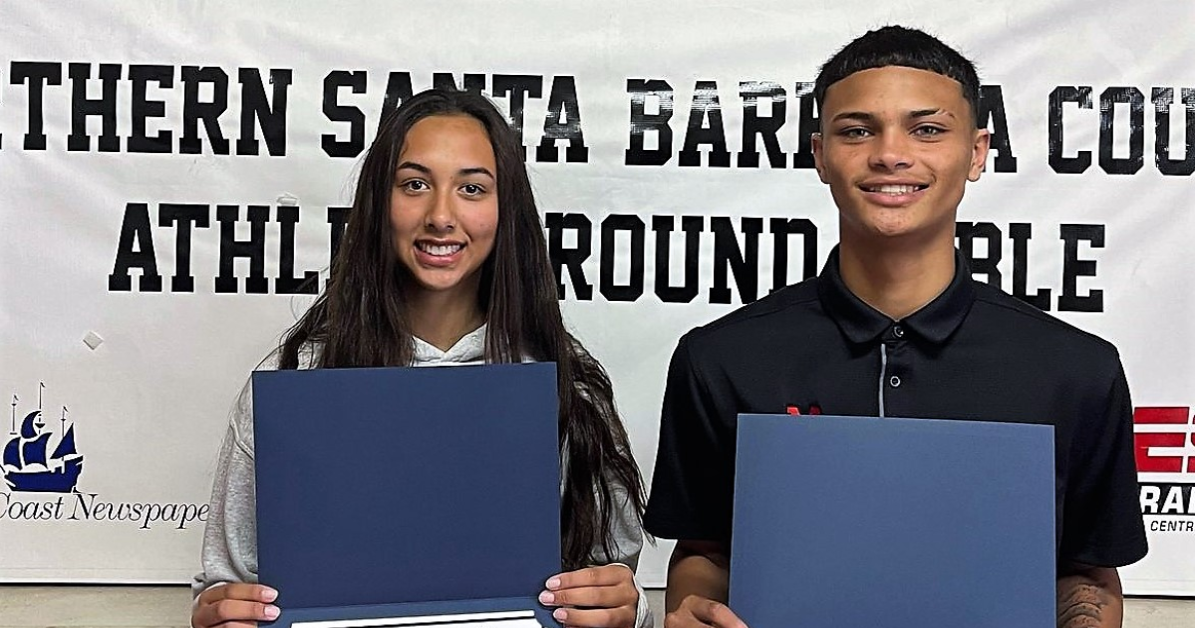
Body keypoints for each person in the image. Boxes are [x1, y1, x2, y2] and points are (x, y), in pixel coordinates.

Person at [644, 25, 1148, 628]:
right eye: (857, 131)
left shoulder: (1077, 369)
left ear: (978, 152)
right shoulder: (720, 357)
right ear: (820, 155)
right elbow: (704, 551)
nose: (890, 154)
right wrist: (692, 612)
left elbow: (1088, 573)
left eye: (927, 129)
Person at [191, 88, 652, 628]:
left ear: (506, 209)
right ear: (379, 203)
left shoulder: (569, 387)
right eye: (414, 184)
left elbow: (615, 586)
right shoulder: (295, 379)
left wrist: (631, 612)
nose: (441, 215)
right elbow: (227, 585)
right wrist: (219, 612)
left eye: (472, 188)